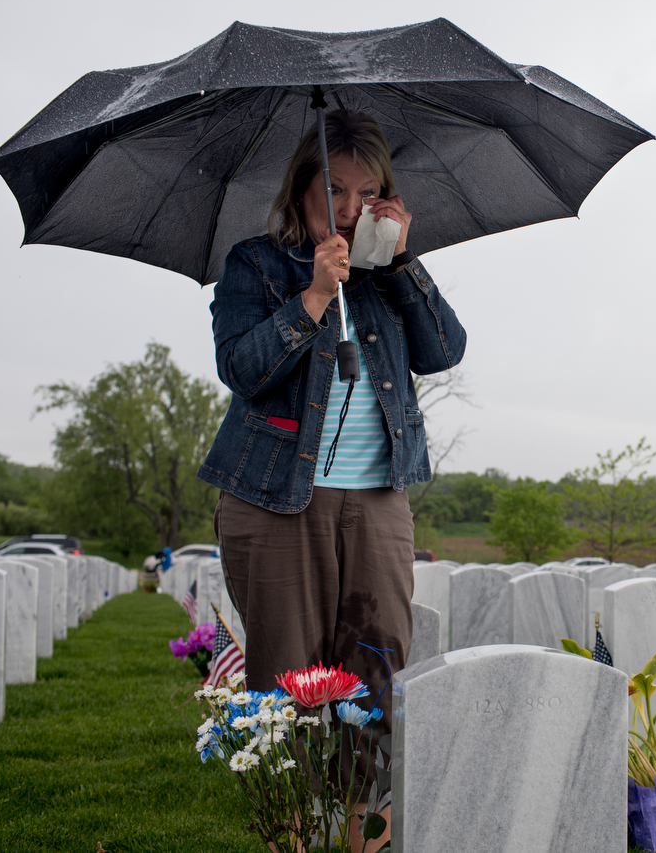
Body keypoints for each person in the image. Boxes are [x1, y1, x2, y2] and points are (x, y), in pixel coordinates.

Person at [197, 109, 465, 842]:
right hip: (277, 500)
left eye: (367, 192)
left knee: (378, 675)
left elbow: (445, 350)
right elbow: (243, 369)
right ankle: (293, 838)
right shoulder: (254, 264)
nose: (349, 208)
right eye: (336, 190)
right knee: (287, 683)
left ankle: (363, 837)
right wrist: (313, 296)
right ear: (302, 187)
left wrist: (402, 259)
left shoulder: (385, 278)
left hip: (378, 498)